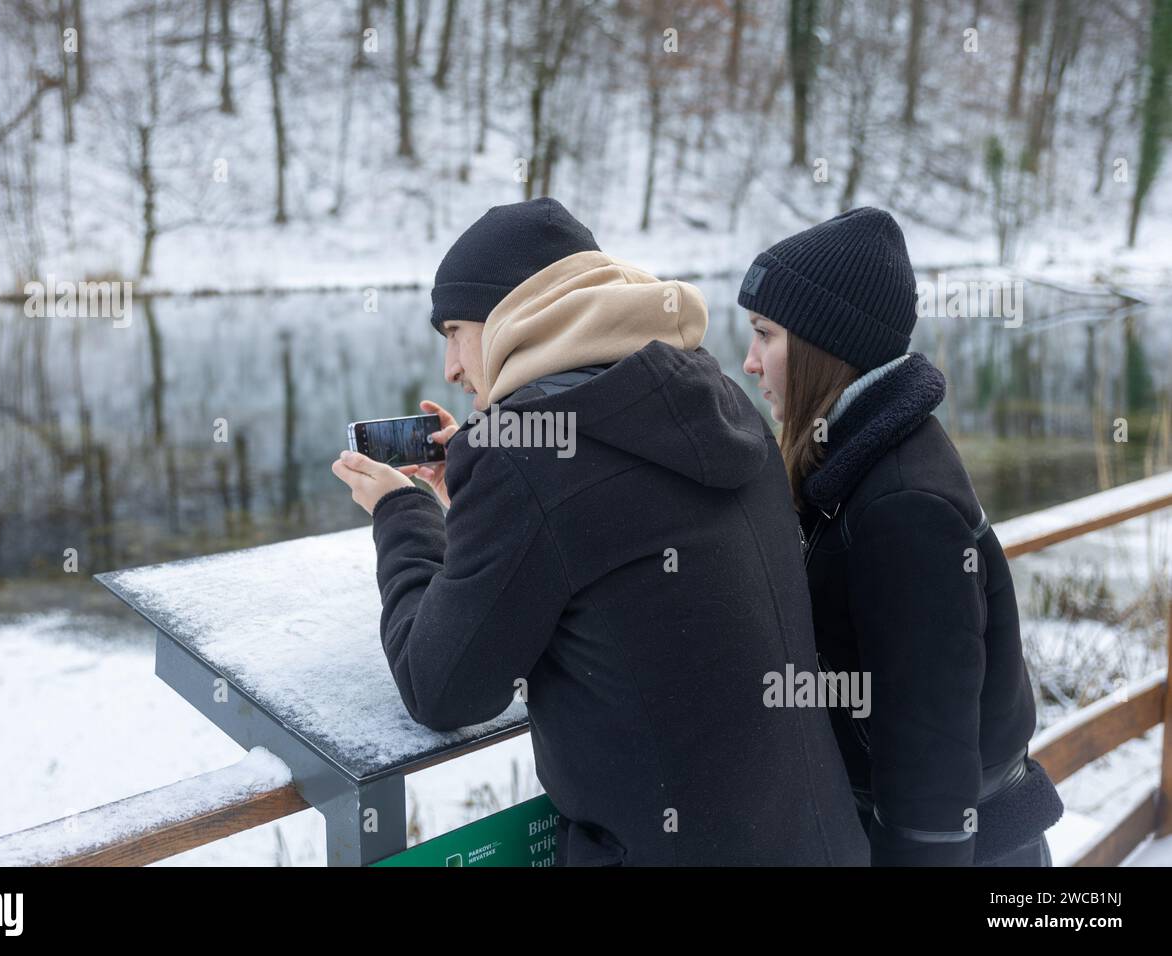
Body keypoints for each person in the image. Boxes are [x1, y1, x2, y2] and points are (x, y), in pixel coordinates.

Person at [331, 197, 868, 866]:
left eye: (456, 330)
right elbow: (609, 552)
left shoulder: (518, 454)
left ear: (511, 314)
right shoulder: (722, 397)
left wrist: (400, 512)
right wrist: (471, 497)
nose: (452, 368)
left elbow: (442, 688)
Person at [738, 206, 1064, 866]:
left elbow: (931, 760)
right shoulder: (858, 460)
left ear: (819, 347)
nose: (748, 362)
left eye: (764, 335)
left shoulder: (903, 507)